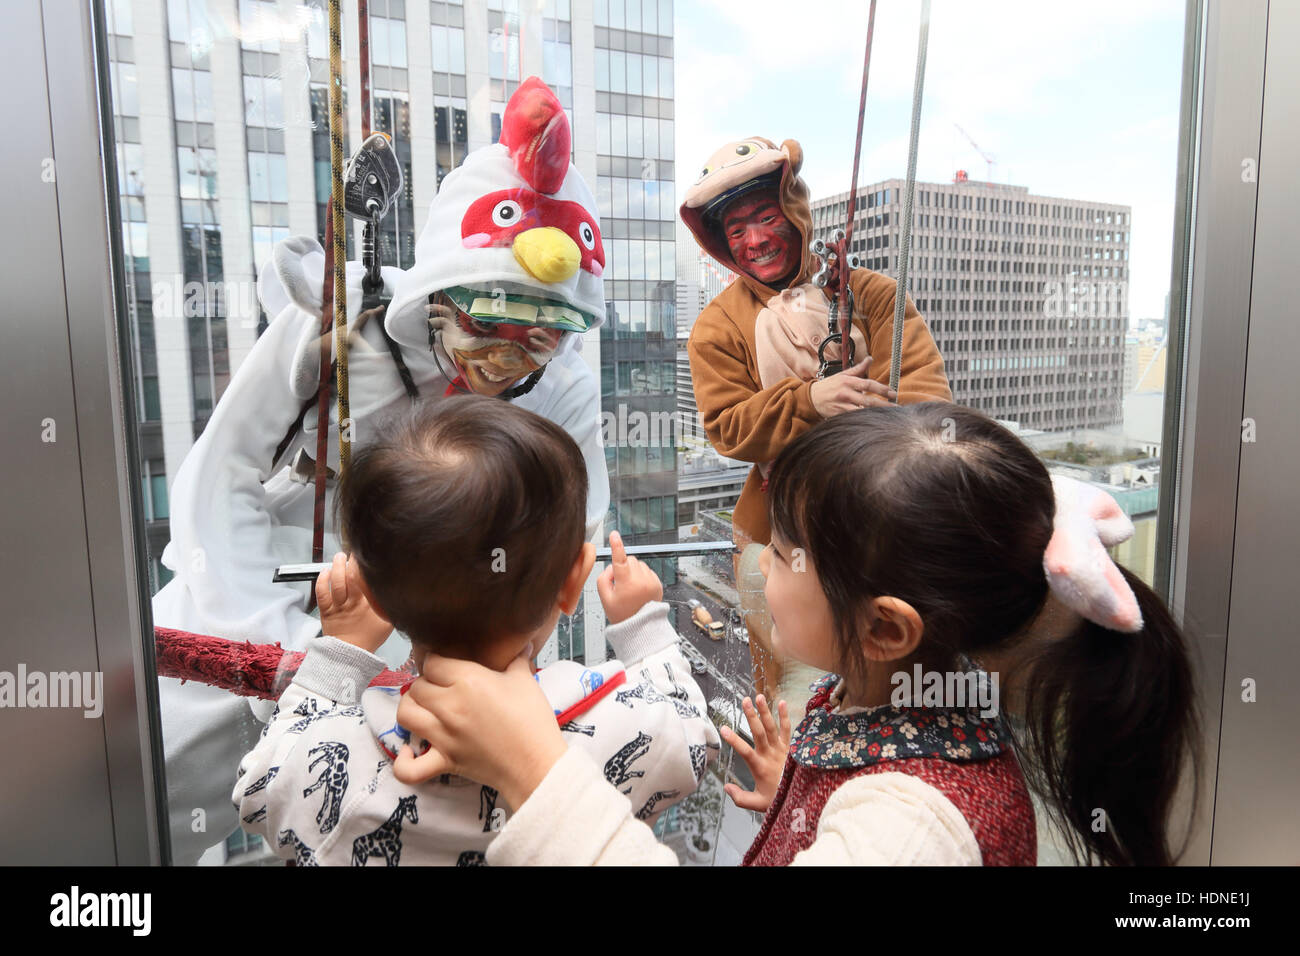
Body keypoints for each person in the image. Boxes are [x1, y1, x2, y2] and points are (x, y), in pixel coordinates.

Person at [390, 403, 1201, 866]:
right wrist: (804, 804)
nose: (762, 564)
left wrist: (535, 769)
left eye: (785, 552)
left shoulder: (913, 830)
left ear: (884, 627)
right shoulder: (885, 706)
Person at [156, 76, 613, 863]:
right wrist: (272, 643)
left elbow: (570, 533)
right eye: (487, 325)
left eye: (539, 337)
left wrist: (485, 659)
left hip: (425, 641)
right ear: (441, 290)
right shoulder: (341, 327)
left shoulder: (564, 383)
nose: (507, 360)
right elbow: (223, 465)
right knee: (148, 774)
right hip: (248, 594)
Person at [232, 395, 718, 865]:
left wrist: (342, 650)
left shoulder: (343, 765)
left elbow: (258, 791)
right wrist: (641, 624)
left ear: (374, 596)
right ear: (575, 582)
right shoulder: (622, 723)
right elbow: (695, 735)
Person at [680, 136, 951, 707]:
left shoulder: (872, 295)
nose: (754, 239)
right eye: (736, 230)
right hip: (778, 538)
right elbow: (727, 426)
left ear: (796, 212)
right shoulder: (717, 326)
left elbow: (928, 400)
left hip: (882, 527)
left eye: (765, 216)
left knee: (894, 684)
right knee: (798, 696)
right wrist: (811, 401)